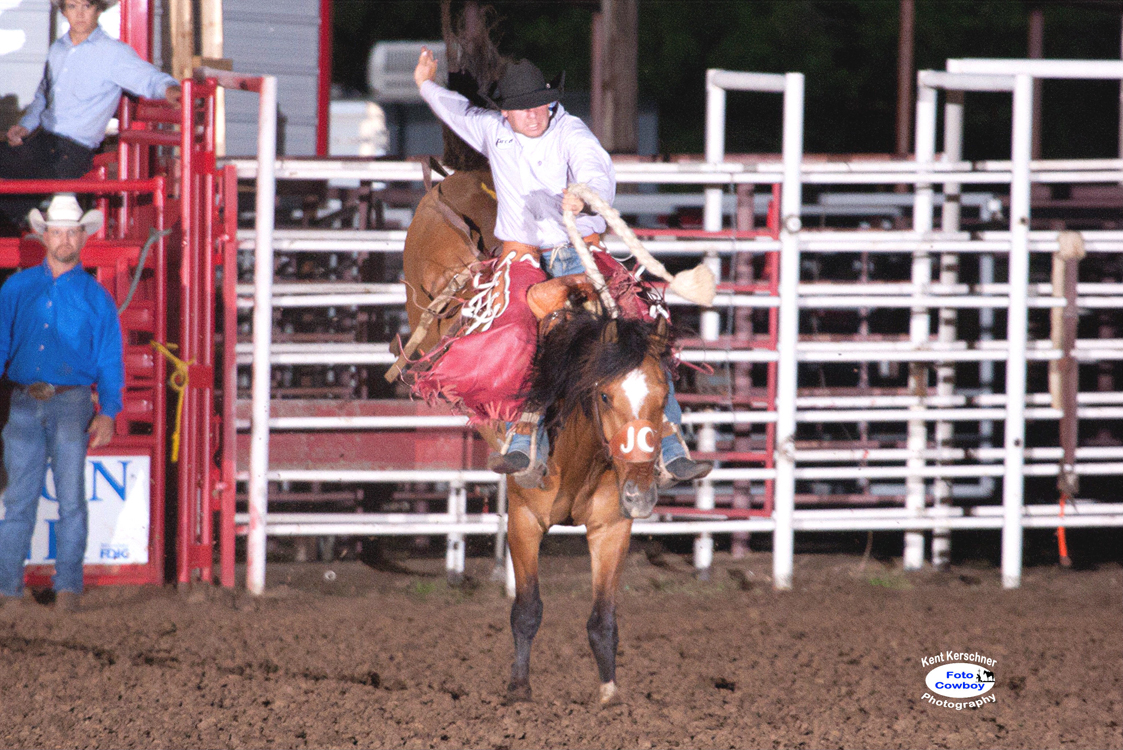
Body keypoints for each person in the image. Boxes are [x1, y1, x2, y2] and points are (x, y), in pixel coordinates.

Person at [414, 49, 711, 485]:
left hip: (580, 250)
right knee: (516, 330)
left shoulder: (570, 131)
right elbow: (457, 110)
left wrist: (586, 194)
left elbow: (594, 166)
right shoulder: (492, 130)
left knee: (637, 327)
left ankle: (669, 445)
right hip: (523, 255)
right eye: (522, 108)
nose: (533, 114)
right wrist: (425, 84)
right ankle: (523, 438)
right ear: (505, 112)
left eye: (540, 104)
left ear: (551, 102)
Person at [0, 194, 124, 612]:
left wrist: (108, 411)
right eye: (58, 232)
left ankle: (67, 586)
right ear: (46, 236)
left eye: (72, 232)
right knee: (20, 499)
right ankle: (8, 589)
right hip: (24, 400)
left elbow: (109, 358)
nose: (65, 239)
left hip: (71, 403)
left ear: (82, 237)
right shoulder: (17, 289)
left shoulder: (96, 298)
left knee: (69, 499)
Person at [0, 0, 181, 230]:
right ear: (64, 11)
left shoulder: (113, 53)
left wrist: (170, 89)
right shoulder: (58, 49)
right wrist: (25, 126)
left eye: (86, 6)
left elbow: (148, 78)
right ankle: (11, 232)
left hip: (73, 151)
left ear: (98, 9)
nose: (80, 14)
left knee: (13, 190)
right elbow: (43, 97)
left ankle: (10, 236)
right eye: (72, 6)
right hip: (42, 140)